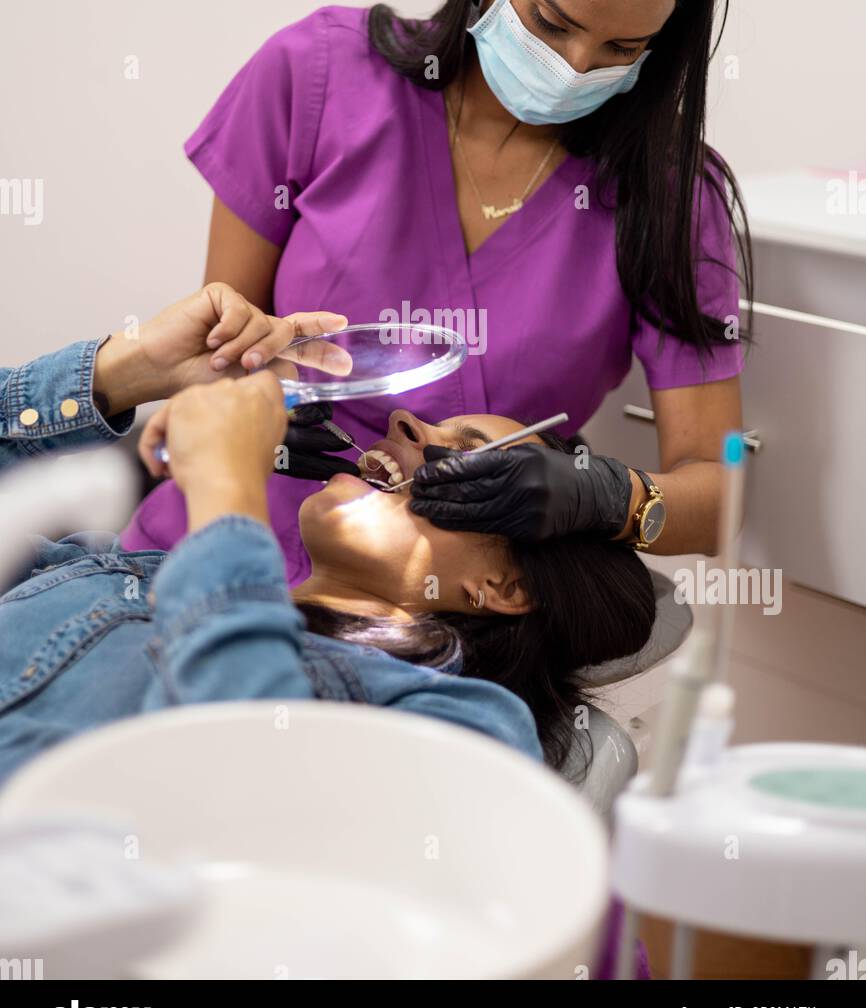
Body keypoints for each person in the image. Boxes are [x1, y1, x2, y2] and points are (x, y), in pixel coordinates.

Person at [119, 0, 751, 584]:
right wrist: (252, 411)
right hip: (210, 551)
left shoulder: (669, 199)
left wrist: (605, 497)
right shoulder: (316, 78)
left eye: (623, 47)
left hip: (435, 602)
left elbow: (717, 490)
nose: (576, 67)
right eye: (550, 24)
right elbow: (214, 353)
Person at [0, 286, 655, 785]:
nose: (404, 421)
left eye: (467, 454)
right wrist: (127, 372)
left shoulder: (464, 725)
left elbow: (245, 793)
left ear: (503, 585)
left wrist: (228, 495)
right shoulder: (125, 577)